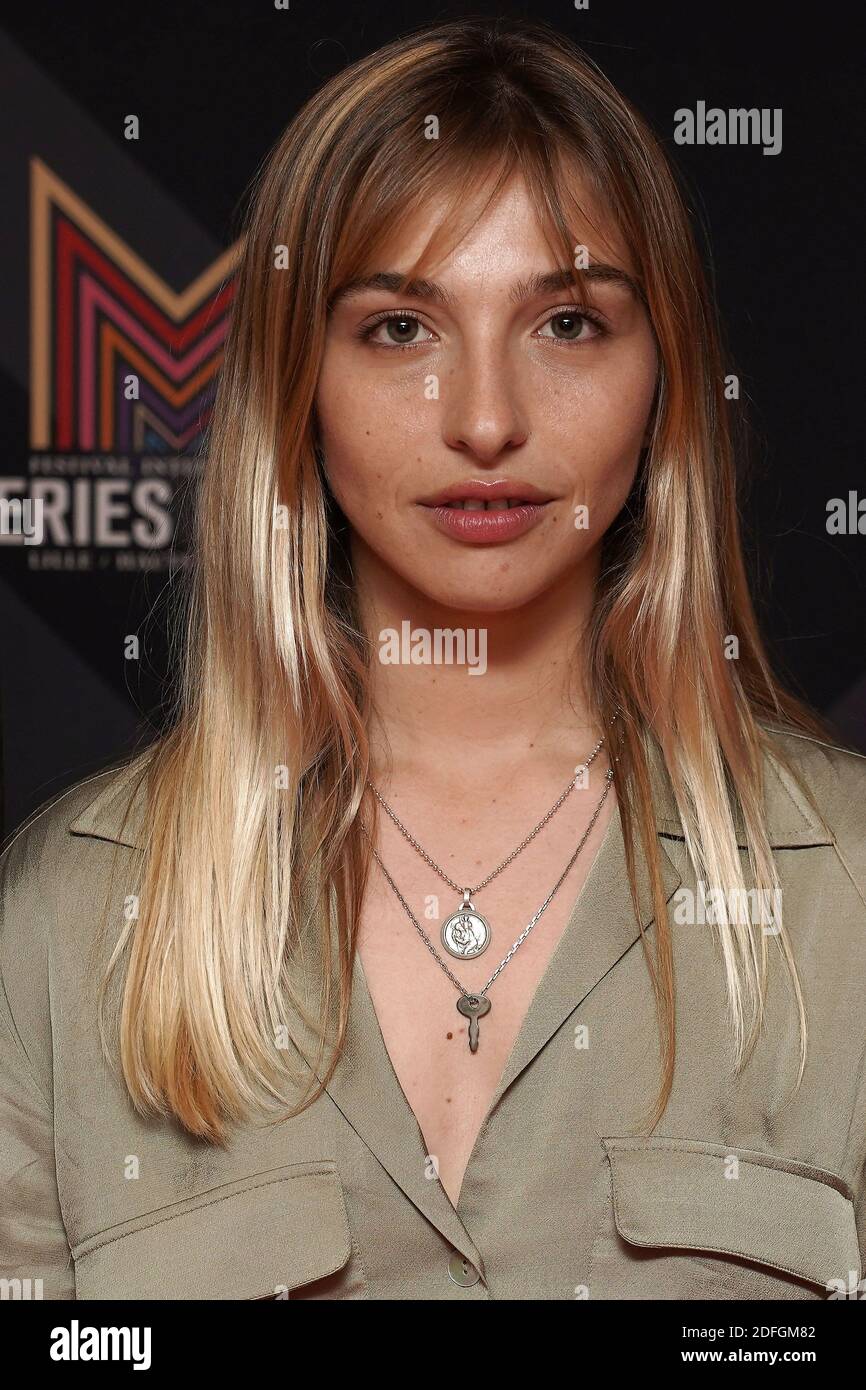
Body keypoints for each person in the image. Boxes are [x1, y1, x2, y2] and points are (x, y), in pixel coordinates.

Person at [2, 15, 865, 1302]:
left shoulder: (843, 890)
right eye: (399, 329)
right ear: (297, 379)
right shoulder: (67, 924)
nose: (484, 419)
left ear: (663, 377)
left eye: (566, 322)